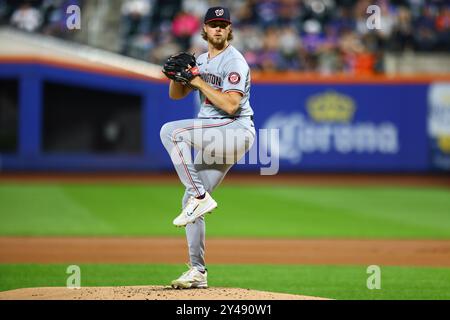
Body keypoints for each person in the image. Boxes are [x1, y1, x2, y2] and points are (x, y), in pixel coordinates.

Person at [160, 6, 255, 289]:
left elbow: (230, 105)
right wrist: (177, 76)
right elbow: (177, 95)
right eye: (213, 24)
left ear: (229, 30)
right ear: (204, 30)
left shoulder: (234, 61)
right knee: (189, 204)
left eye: (222, 25)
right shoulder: (200, 60)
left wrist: (196, 79)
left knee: (170, 131)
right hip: (215, 135)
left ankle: (200, 195)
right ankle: (197, 272)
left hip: (234, 130)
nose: (217, 28)